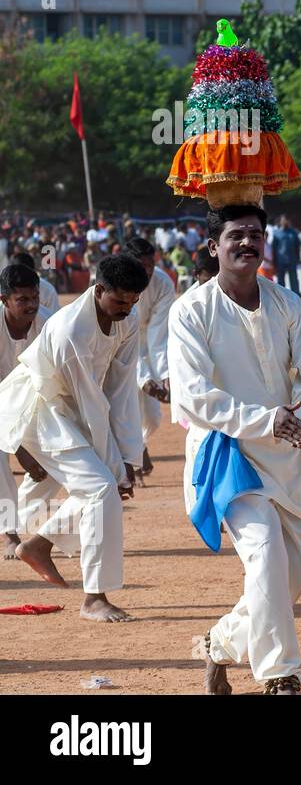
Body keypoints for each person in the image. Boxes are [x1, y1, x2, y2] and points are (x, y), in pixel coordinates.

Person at [170, 204, 301, 695]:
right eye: (236, 235)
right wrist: (268, 420)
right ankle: (280, 675)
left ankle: (218, 644)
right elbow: (193, 396)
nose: (247, 243)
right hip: (228, 456)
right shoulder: (191, 311)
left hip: (286, 457)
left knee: (295, 576)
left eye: (255, 235)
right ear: (213, 246)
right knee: (264, 555)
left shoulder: (286, 303)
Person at [0, 254, 149, 622]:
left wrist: (129, 455)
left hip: (70, 409)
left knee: (101, 487)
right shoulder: (72, 333)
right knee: (102, 488)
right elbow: (94, 406)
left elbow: (121, 389)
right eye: (119, 301)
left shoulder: (127, 322)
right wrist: (117, 467)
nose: (127, 309)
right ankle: (93, 599)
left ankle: (37, 545)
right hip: (37, 410)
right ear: (99, 291)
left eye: (133, 301)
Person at [0, 264, 51, 559]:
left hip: (31, 401)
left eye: (35, 298)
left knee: (56, 458)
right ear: (4, 300)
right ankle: (10, 534)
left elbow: (48, 380)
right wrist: (18, 446)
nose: (32, 305)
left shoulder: (47, 326)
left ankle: (41, 529)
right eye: (22, 300)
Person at [124, 237, 174, 480]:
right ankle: (131, 456)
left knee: (153, 418)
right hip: (119, 348)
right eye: (142, 265)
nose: (148, 271)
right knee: (126, 410)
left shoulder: (163, 283)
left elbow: (158, 333)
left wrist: (164, 376)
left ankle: (140, 444)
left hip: (149, 343)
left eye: (151, 265)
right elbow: (124, 335)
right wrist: (144, 378)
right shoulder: (118, 280)